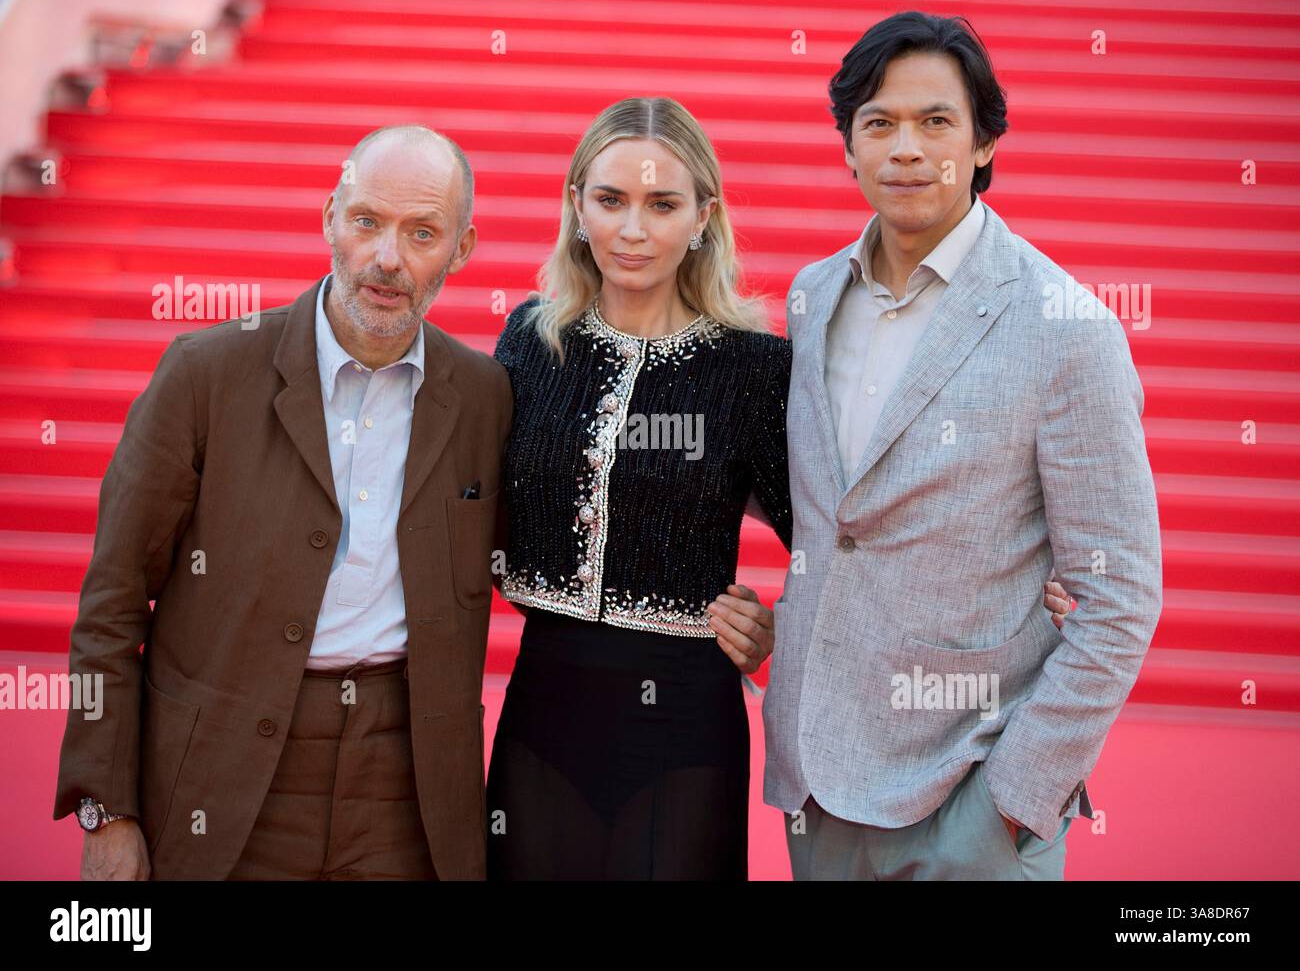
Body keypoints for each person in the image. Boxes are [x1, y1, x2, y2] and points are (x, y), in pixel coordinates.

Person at [485, 96, 1073, 880]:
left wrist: (777, 626)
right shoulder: (529, 340)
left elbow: (838, 539)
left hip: (685, 729)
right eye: (610, 200)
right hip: (542, 715)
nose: (633, 230)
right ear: (576, 205)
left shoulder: (756, 368)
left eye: (662, 204)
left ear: (703, 216)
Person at [764, 12, 1163, 881]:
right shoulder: (811, 296)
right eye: (879, 123)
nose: (906, 148)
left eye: (936, 122)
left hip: (970, 801)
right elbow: (825, 505)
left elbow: (1120, 595)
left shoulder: (1067, 331)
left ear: (983, 145)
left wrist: (1017, 796)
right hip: (820, 787)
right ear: (849, 149)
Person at [53, 124, 511, 880]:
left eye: (422, 232)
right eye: (367, 221)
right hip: (225, 783)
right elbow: (112, 602)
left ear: (460, 251)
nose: (387, 258)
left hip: (411, 794)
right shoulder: (206, 374)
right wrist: (106, 806)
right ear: (330, 216)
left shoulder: (486, 396)